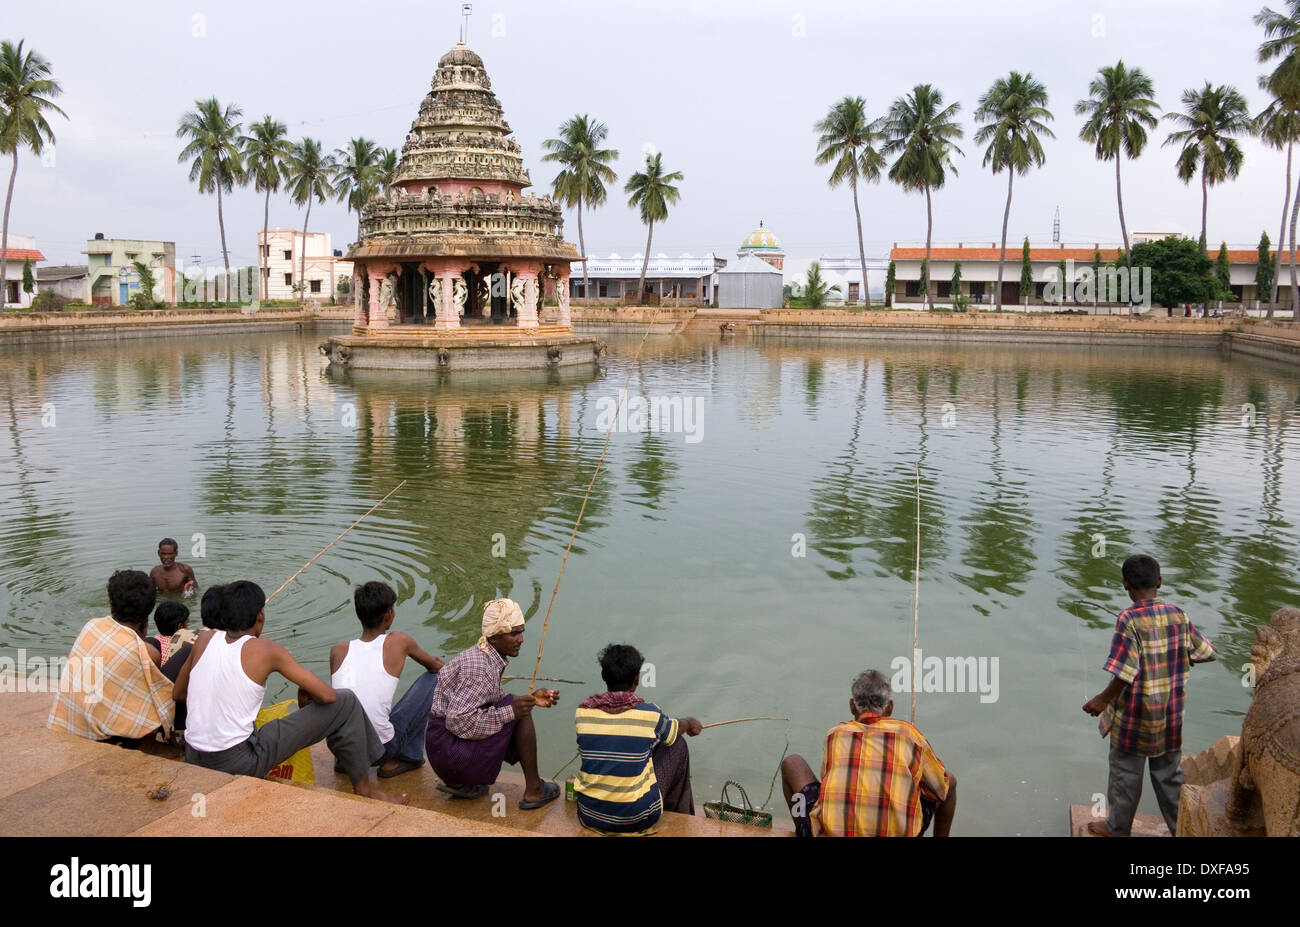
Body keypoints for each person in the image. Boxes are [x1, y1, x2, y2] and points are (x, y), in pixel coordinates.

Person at [174, 580, 406, 805]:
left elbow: (179, 694)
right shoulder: (267, 650)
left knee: (262, 727)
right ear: (260, 617)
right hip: (239, 762)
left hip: (193, 755)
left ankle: (362, 759)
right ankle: (365, 788)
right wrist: (308, 693)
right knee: (347, 700)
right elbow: (329, 696)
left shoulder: (203, 639)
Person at [1082, 553, 1217, 836]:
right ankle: (1183, 830)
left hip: (1134, 717)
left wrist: (1103, 699)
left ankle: (1117, 829)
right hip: (1170, 716)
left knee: (1125, 776)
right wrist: (1181, 655)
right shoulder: (1178, 614)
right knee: (1169, 776)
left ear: (1125, 585)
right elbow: (1206, 652)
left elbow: (1124, 671)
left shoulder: (1129, 619)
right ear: (1160, 581)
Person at [781, 670, 956, 837]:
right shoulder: (908, 734)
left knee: (792, 762)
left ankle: (803, 831)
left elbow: (828, 784)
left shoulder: (835, 734)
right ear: (890, 708)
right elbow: (940, 791)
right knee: (949, 783)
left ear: (852, 706)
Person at [426, 598, 561, 809]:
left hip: (442, 751)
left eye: (521, 632)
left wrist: (531, 698)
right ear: (495, 637)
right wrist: (511, 712)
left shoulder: (485, 655)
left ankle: (466, 783)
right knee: (518, 714)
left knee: (514, 705)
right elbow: (457, 721)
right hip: (451, 757)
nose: (521, 639)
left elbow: (492, 699)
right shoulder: (479, 669)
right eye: (514, 633)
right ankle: (534, 789)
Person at [573, 643, 702, 834]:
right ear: (636, 680)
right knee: (676, 744)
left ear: (603, 676)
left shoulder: (583, 712)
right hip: (637, 818)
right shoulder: (649, 713)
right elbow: (676, 728)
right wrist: (689, 721)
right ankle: (680, 818)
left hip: (590, 814)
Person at [329, 581, 445, 778]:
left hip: (340, 747)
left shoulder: (338, 650)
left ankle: (346, 761)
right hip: (381, 750)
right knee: (437, 679)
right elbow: (434, 667)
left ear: (359, 614)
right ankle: (407, 757)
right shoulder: (400, 641)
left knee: (356, 705)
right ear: (388, 616)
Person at [48, 570, 175, 747]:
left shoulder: (91, 626)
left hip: (73, 722)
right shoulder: (145, 652)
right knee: (178, 667)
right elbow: (156, 695)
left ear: (110, 603)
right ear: (150, 608)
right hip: (109, 736)